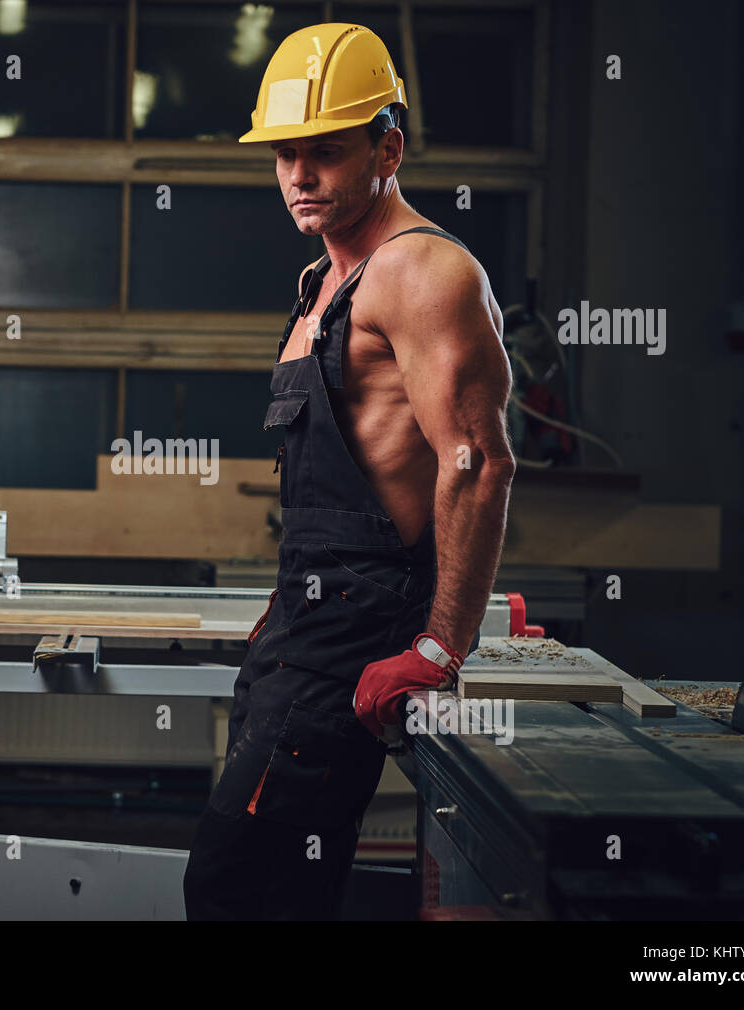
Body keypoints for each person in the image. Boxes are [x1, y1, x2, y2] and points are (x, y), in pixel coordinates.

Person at [183, 22, 515, 920]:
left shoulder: (422, 272)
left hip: (351, 639)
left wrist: (442, 645)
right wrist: (284, 603)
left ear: (388, 148)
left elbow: (478, 463)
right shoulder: (319, 282)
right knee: (284, 888)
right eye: (285, 153)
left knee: (232, 886)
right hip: (302, 626)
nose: (299, 174)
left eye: (325, 152)